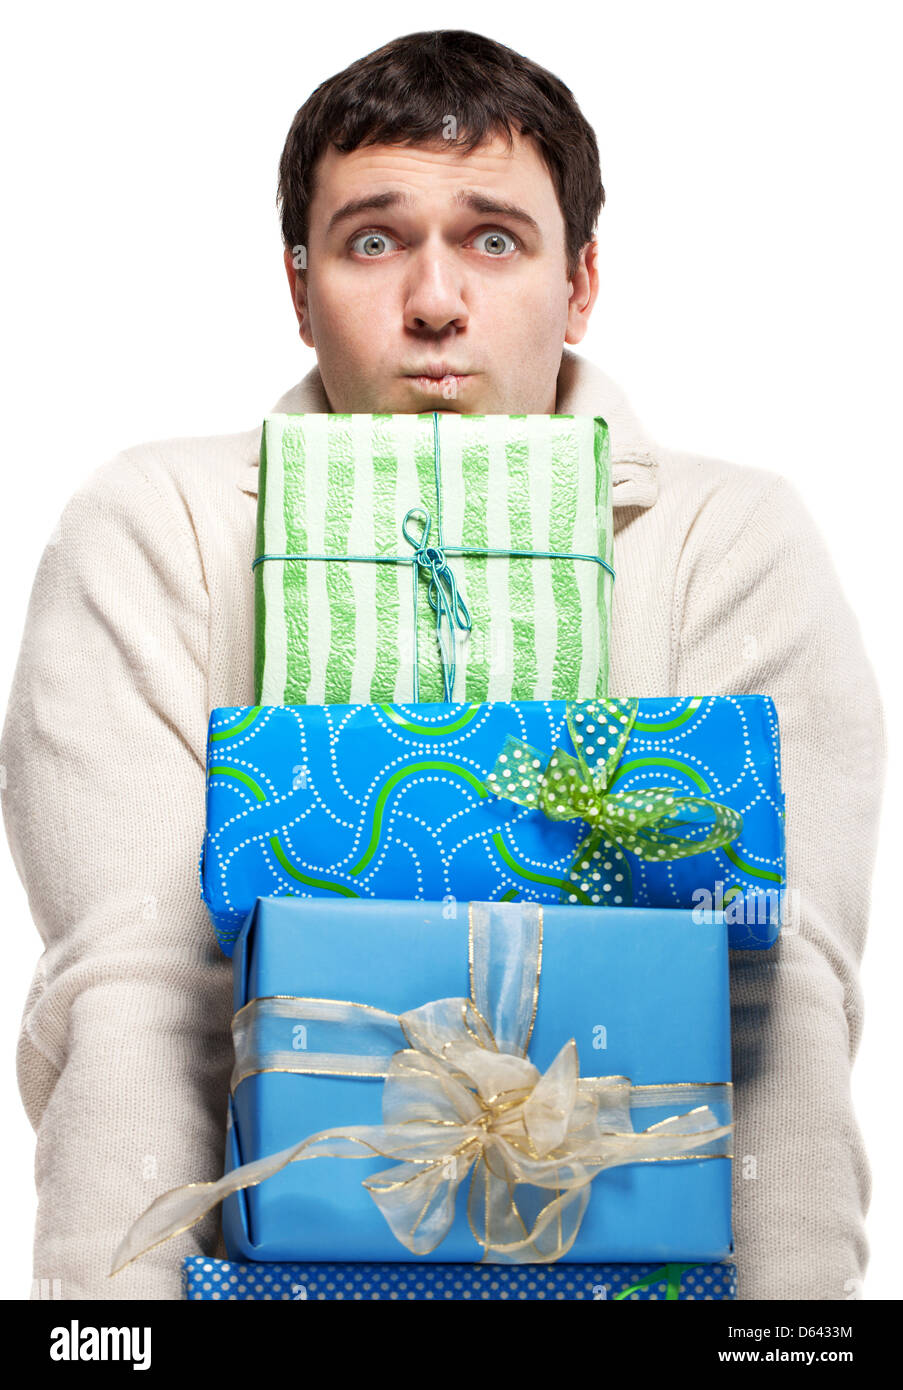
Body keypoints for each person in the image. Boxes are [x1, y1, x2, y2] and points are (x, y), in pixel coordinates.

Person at [0, 28, 885, 1301]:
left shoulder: (728, 541)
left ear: (581, 281)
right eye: (373, 240)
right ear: (297, 288)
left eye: (493, 238)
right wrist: (107, 1337)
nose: (433, 300)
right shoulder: (161, 528)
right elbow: (137, 985)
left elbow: (777, 989)